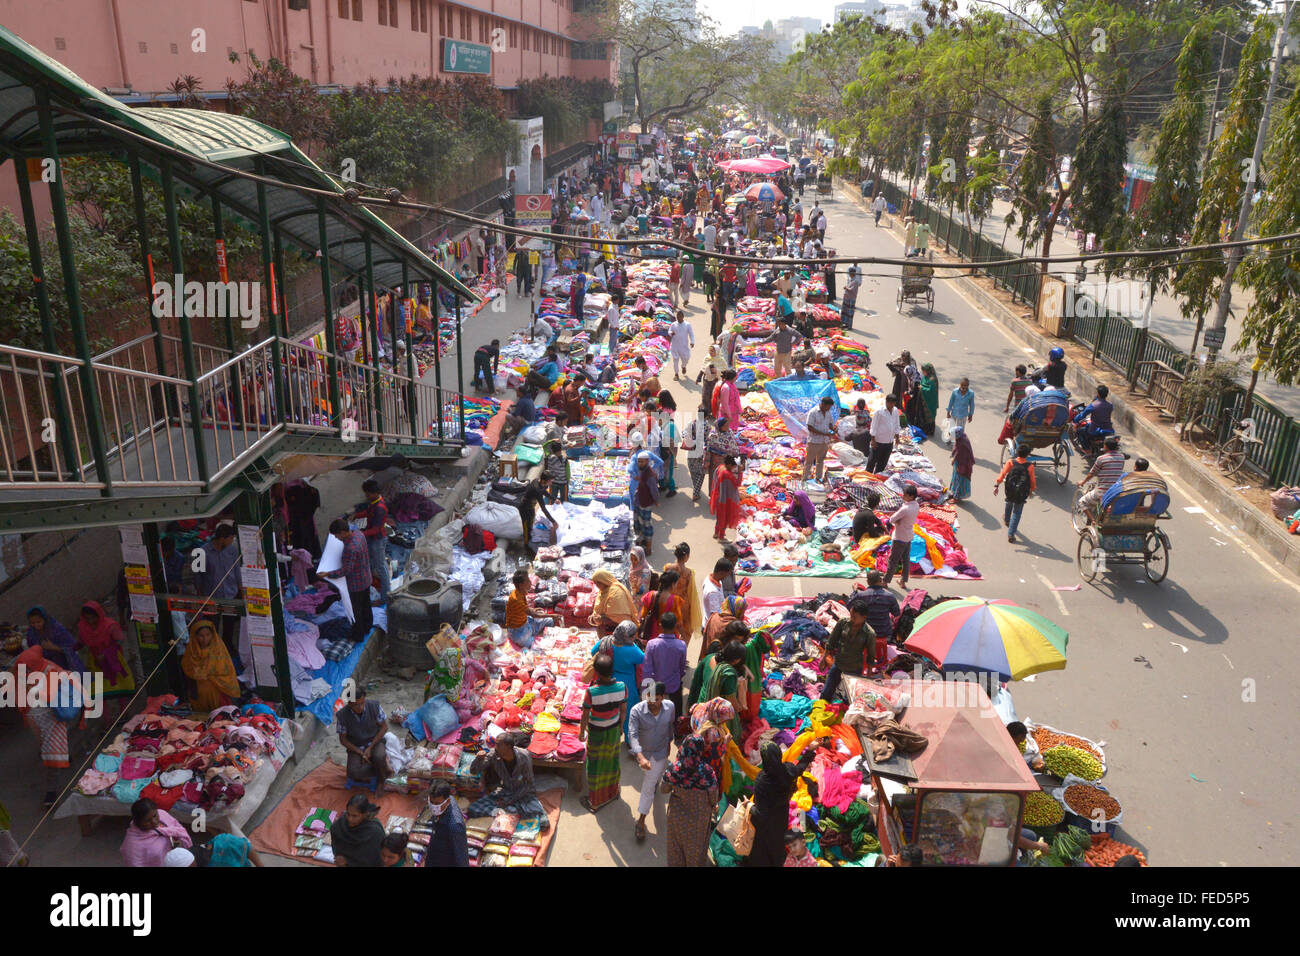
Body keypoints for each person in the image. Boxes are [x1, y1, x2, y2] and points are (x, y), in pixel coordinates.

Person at [746, 742, 818, 866]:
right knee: (778, 846)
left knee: (763, 851)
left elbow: (760, 813)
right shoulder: (788, 771)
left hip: (766, 825)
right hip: (781, 817)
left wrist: (748, 806)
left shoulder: (762, 781)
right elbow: (800, 767)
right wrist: (810, 751)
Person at [627, 682, 676, 842]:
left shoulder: (670, 707)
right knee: (650, 784)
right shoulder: (636, 711)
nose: (651, 701)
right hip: (645, 754)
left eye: (655, 698)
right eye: (648, 696)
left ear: (662, 698)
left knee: (651, 783)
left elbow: (670, 727)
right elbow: (632, 735)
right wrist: (640, 757)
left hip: (661, 752)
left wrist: (669, 743)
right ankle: (641, 821)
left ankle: (641, 820)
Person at [579, 653, 628, 814]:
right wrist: (620, 726)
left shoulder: (592, 692)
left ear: (597, 673)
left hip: (597, 733)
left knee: (595, 764)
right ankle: (612, 793)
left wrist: (581, 732)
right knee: (612, 760)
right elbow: (623, 709)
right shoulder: (622, 687)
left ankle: (595, 802)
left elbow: (585, 715)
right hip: (613, 730)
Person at [663, 733, 719, 867]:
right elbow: (713, 799)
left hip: (677, 819)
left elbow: (663, 789)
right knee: (696, 853)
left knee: (675, 850)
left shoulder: (674, 769)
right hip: (698, 822)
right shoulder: (707, 772)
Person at [468, 732, 549, 826]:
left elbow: (529, 784)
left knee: (543, 822)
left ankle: (510, 812)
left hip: (523, 792)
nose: (495, 746)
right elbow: (474, 771)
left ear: (509, 746)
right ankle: (511, 812)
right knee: (473, 809)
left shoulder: (524, 756)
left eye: (498, 744)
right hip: (506, 790)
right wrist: (478, 759)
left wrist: (510, 801)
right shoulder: (494, 754)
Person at [821, 598, 876, 701]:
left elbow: (871, 657)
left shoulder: (869, 633)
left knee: (849, 699)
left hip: (854, 668)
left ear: (864, 617)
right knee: (825, 694)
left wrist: (868, 677)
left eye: (854, 617)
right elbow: (831, 641)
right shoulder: (843, 623)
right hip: (838, 664)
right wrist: (823, 658)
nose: (851, 619)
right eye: (851, 615)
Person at [337, 687, 391, 790]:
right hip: (356, 745)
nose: (361, 707)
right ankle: (383, 767)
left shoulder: (374, 706)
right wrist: (360, 752)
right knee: (353, 772)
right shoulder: (342, 716)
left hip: (374, 741)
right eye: (356, 705)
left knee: (379, 756)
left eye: (362, 703)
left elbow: (384, 727)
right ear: (349, 704)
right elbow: (343, 740)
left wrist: (370, 748)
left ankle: (381, 780)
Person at [329, 518, 373, 643]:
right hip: (366, 578)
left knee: (356, 611)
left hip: (355, 584)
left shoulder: (350, 548)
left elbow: (345, 571)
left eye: (337, 535)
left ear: (343, 532)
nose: (337, 538)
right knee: (366, 604)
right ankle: (367, 626)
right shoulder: (359, 534)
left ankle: (358, 635)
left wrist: (328, 574)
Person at [181, 619, 240, 711]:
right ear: (195, 636)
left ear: (213, 635)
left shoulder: (219, 650)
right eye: (201, 636)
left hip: (217, 692)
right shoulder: (191, 651)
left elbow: (225, 671)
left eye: (208, 635)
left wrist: (207, 673)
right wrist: (199, 674)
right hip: (198, 693)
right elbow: (187, 668)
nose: (205, 639)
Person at [121, 798, 193, 867]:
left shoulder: (162, 814)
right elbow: (134, 864)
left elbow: (177, 828)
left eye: (155, 815)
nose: (154, 822)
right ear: (138, 822)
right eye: (147, 821)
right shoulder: (132, 845)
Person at [643, 614, 688, 718]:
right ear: (675, 626)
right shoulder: (681, 645)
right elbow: (682, 668)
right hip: (674, 687)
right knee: (676, 718)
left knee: (654, 718)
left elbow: (647, 670)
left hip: (655, 689)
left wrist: (646, 691)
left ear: (660, 625)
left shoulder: (651, 644)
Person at [355, 478, 391, 602]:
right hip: (372, 538)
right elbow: (368, 512)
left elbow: (376, 529)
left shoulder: (380, 507)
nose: (366, 496)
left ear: (374, 493)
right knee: (370, 562)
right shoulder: (375, 502)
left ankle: (385, 597)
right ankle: (371, 589)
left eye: (368, 494)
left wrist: (360, 534)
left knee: (381, 567)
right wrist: (356, 515)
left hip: (377, 539)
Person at [994, 443, 1037, 543]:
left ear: (1017, 452)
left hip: (1010, 490)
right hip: (1021, 493)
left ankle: (1007, 519)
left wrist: (996, 485)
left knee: (1009, 502)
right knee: (1017, 513)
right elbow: (1032, 481)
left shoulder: (1011, 462)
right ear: (1027, 455)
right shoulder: (1029, 466)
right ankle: (1011, 534)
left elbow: (1003, 474)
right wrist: (1031, 490)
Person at [421, 781, 470, 867]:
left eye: (437, 804)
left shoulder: (455, 826)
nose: (433, 807)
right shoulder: (449, 801)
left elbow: (461, 855)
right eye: (431, 802)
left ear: (447, 802)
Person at [1078, 436, 1126, 519]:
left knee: (1082, 502)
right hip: (1115, 491)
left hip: (1102, 492)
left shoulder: (1101, 458)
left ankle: (1092, 521)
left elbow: (1092, 473)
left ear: (1106, 447)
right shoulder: (1121, 457)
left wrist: (1082, 482)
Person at [330, 794, 385, 867]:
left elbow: (374, 859)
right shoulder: (340, 824)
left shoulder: (375, 832)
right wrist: (338, 856)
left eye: (354, 816)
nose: (350, 819)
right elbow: (336, 844)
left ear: (365, 814)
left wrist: (348, 861)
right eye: (348, 814)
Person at [664, 542, 704, 641]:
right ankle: (681, 651)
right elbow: (691, 593)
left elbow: (663, 585)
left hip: (669, 602)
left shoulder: (668, 567)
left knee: (669, 628)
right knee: (686, 632)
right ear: (686, 556)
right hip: (683, 605)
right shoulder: (689, 573)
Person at [24, 606, 83, 672]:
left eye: (38, 622)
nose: (35, 625)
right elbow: (32, 648)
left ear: (45, 619)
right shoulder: (31, 633)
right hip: (48, 665)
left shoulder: (56, 629)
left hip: (65, 662)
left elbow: (72, 647)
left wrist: (53, 647)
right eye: (32, 623)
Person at [884, 484, 920, 589]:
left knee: (893, 560)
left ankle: (885, 581)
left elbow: (891, 519)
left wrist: (895, 520)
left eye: (905, 495)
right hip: (908, 536)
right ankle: (903, 581)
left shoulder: (905, 509)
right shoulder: (916, 505)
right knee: (905, 559)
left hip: (900, 537)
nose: (902, 496)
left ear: (911, 496)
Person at [505, 569, 553, 649]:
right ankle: (532, 638)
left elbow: (525, 610)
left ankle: (534, 635)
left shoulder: (520, 592)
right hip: (518, 632)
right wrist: (555, 615)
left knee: (549, 620)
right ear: (521, 585)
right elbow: (533, 615)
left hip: (527, 624)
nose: (530, 583)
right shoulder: (516, 599)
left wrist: (533, 609)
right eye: (528, 581)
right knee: (538, 649)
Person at [640, 569, 685, 644]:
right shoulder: (676, 601)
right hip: (669, 640)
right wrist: (684, 637)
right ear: (673, 584)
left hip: (650, 638)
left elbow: (642, 616)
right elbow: (679, 624)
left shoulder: (650, 595)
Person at [589, 569, 639, 636]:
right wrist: (593, 618)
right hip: (606, 630)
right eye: (595, 583)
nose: (597, 585)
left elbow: (622, 620)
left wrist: (602, 619)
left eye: (599, 582)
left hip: (621, 631)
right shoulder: (603, 591)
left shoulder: (616, 592)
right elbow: (598, 611)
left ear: (605, 580)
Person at [630, 450, 662, 550]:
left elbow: (654, 491)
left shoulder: (650, 475)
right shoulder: (642, 471)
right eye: (639, 461)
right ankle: (640, 543)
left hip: (645, 503)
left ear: (647, 461)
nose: (640, 463)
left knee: (647, 525)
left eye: (642, 461)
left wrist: (656, 501)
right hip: (638, 501)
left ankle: (648, 548)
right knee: (638, 523)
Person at [516, 479, 557, 558]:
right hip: (525, 510)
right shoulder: (537, 490)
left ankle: (530, 545)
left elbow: (544, 492)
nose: (551, 483)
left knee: (531, 527)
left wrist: (554, 499)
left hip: (530, 508)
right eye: (550, 481)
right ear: (545, 481)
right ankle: (527, 549)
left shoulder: (537, 482)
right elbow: (543, 509)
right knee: (526, 530)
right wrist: (553, 521)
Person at [803, 395, 836, 488]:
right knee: (809, 461)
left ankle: (818, 478)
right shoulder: (813, 412)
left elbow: (830, 424)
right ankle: (805, 479)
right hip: (814, 441)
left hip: (824, 441)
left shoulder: (828, 412)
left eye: (829, 407)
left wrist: (833, 430)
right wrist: (824, 433)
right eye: (827, 407)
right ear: (823, 404)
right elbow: (810, 427)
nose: (828, 409)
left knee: (820, 460)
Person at [861, 570, 900, 646]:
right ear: (880, 580)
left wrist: (855, 591)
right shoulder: (890, 595)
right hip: (884, 632)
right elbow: (896, 613)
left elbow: (850, 608)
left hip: (866, 632)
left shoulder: (861, 595)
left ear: (867, 582)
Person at [709, 455, 742, 542]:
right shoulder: (727, 474)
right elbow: (738, 483)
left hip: (717, 496)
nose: (734, 468)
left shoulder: (720, 467)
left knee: (719, 517)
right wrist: (740, 471)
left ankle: (716, 533)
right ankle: (721, 537)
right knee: (724, 518)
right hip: (724, 500)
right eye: (734, 466)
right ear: (730, 464)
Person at [1072, 384, 1114, 450]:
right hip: (1108, 428)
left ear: (1098, 394)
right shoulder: (1110, 405)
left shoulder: (1093, 405)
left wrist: (1075, 419)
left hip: (1094, 429)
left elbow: (1083, 414)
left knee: (1079, 431)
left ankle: (1087, 450)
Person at [867, 394, 902, 474]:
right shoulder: (879, 412)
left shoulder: (895, 410)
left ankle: (878, 476)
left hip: (889, 441)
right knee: (872, 461)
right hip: (879, 441)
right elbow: (874, 426)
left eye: (893, 403)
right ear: (886, 402)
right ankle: (868, 476)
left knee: (883, 462)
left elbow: (897, 424)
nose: (891, 405)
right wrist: (873, 440)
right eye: (890, 403)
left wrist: (897, 437)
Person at [949, 425, 974, 503]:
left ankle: (956, 497)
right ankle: (954, 493)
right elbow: (957, 451)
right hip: (959, 462)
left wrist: (954, 460)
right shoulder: (961, 437)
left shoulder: (962, 444)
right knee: (955, 478)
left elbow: (961, 455)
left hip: (963, 465)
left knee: (959, 480)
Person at [946, 377, 975, 442]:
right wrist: (948, 412)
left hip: (963, 415)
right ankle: (950, 439)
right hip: (954, 413)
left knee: (960, 430)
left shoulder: (971, 393)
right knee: (951, 427)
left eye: (965, 385)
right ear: (960, 384)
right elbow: (951, 401)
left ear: (968, 385)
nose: (964, 387)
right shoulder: (955, 391)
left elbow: (972, 405)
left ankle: (959, 442)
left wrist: (970, 415)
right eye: (962, 385)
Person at [668, 309, 694, 378]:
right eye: (677, 317)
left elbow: (691, 334)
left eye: (680, 317)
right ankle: (676, 374)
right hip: (675, 346)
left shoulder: (687, 325)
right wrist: (671, 333)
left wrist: (692, 342)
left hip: (684, 346)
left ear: (683, 317)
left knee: (686, 358)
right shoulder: (673, 324)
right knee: (675, 360)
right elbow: (669, 331)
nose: (679, 318)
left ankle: (683, 366)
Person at [919, 363, 940, 436]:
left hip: (931, 402)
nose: (923, 372)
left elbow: (931, 390)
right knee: (924, 416)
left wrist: (922, 388)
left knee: (930, 417)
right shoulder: (925, 377)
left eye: (924, 371)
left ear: (928, 371)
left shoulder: (932, 379)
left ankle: (930, 431)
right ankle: (925, 430)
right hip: (924, 400)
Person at [840, 265, 862, 330]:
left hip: (851, 299)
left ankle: (849, 326)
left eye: (850, 273)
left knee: (849, 313)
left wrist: (846, 287)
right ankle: (845, 323)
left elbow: (852, 290)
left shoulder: (855, 281)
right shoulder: (850, 279)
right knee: (845, 311)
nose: (849, 274)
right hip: (847, 298)